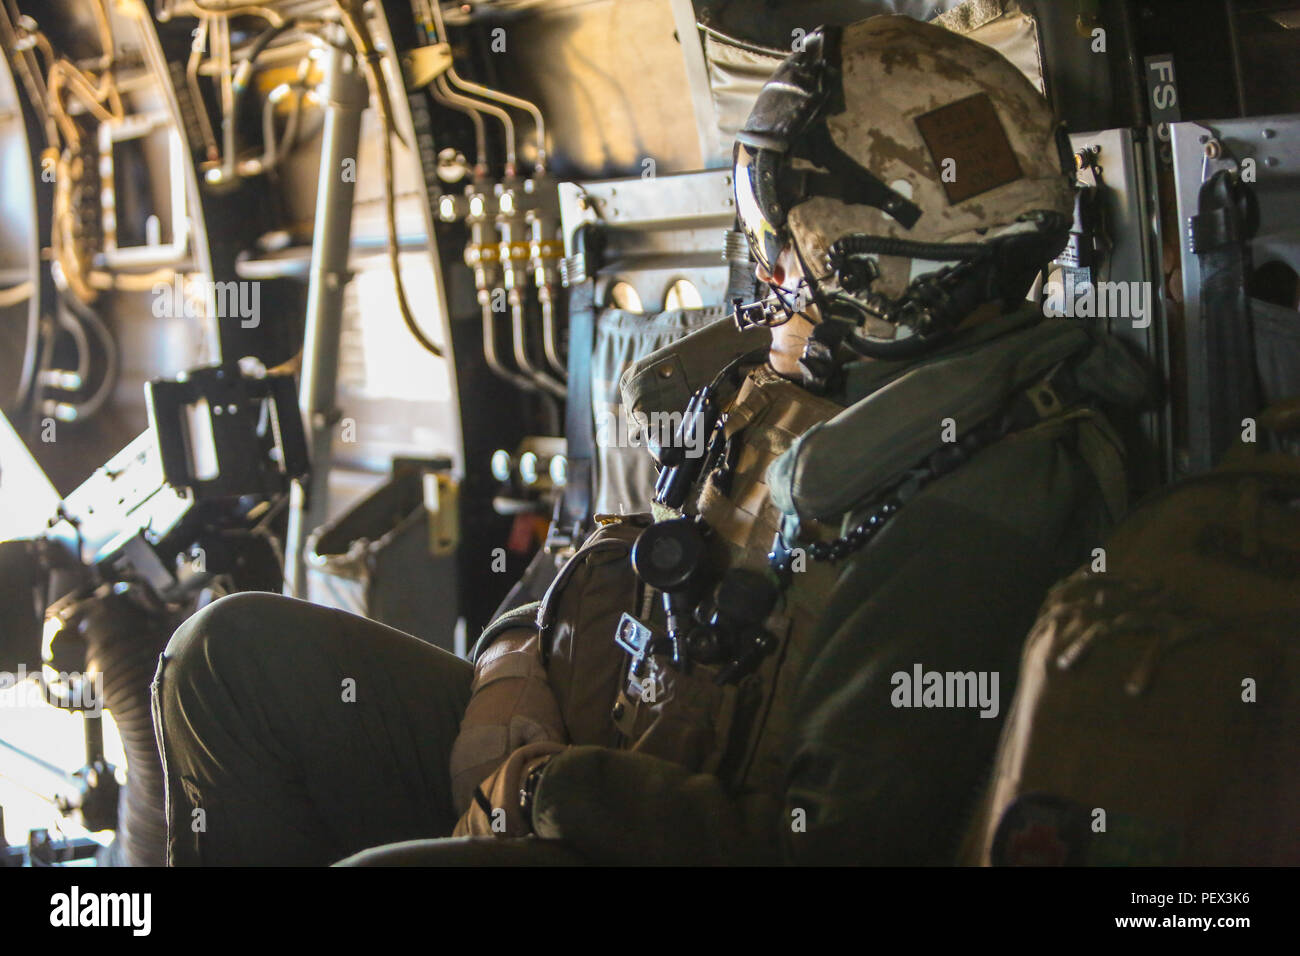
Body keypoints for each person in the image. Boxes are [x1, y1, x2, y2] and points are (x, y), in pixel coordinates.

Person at [152, 14, 1146, 866]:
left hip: (633, 818)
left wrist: (545, 788)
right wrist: (508, 668)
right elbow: (610, 542)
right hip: (599, 731)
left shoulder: (983, 504)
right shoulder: (804, 386)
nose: (765, 270)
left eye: (781, 239)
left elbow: (819, 847)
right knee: (226, 654)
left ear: (873, 269)